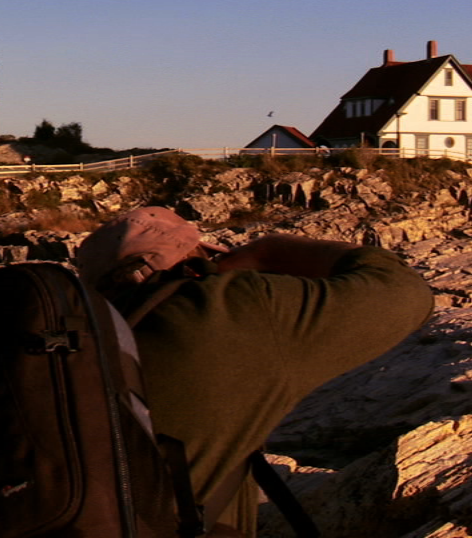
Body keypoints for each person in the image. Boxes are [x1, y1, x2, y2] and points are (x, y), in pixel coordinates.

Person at [74, 207, 433, 536]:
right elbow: (405, 290)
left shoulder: (74, 342)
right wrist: (269, 251)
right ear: (196, 261)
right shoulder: (231, 307)